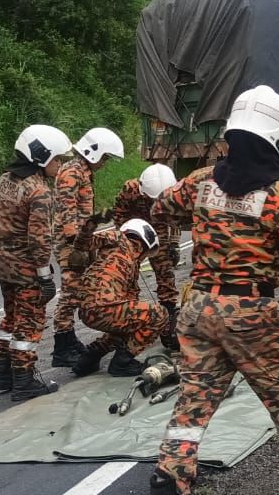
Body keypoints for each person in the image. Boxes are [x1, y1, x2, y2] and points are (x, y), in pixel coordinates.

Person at [149, 85, 279, 495]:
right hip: (250, 313)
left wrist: (203, 224)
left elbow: (160, 207)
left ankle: (171, 474)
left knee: (195, 394)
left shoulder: (201, 181)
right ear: (276, 137)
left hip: (199, 307)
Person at [0, 125, 71, 401]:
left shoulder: (6, 180)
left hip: (4, 262)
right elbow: (39, 239)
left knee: (11, 317)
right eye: (57, 159)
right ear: (41, 156)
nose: (60, 165)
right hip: (27, 267)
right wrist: (44, 276)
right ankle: (24, 382)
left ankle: (1, 374)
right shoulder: (39, 192)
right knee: (29, 324)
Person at [52, 127, 125, 367]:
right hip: (70, 242)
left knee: (77, 290)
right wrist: (76, 245)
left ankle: (68, 340)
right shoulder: (72, 172)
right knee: (71, 291)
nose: (104, 163)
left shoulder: (82, 172)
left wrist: (95, 221)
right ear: (93, 152)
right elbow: (66, 210)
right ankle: (62, 345)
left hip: (80, 240)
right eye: (104, 157)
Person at [70, 218, 170, 376]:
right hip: (103, 307)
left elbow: (131, 309)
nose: (144, 257)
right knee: (160, 314)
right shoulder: (118, 237)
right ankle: (122, 363)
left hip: (87, 310)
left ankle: (89, 358)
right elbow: (82, 244)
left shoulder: (129, 262)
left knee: (129, 323)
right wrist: (89, 226)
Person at [112, 163, 181, 351]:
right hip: (135, 233)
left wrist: (174, 243)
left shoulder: (172, 194)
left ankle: (169, 312)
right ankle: (129, 313)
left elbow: (176, 219)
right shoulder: (130, 189)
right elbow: (118, 214)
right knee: (128, 272)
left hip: (159, 230)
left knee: (165, 271)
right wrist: (122, 240)